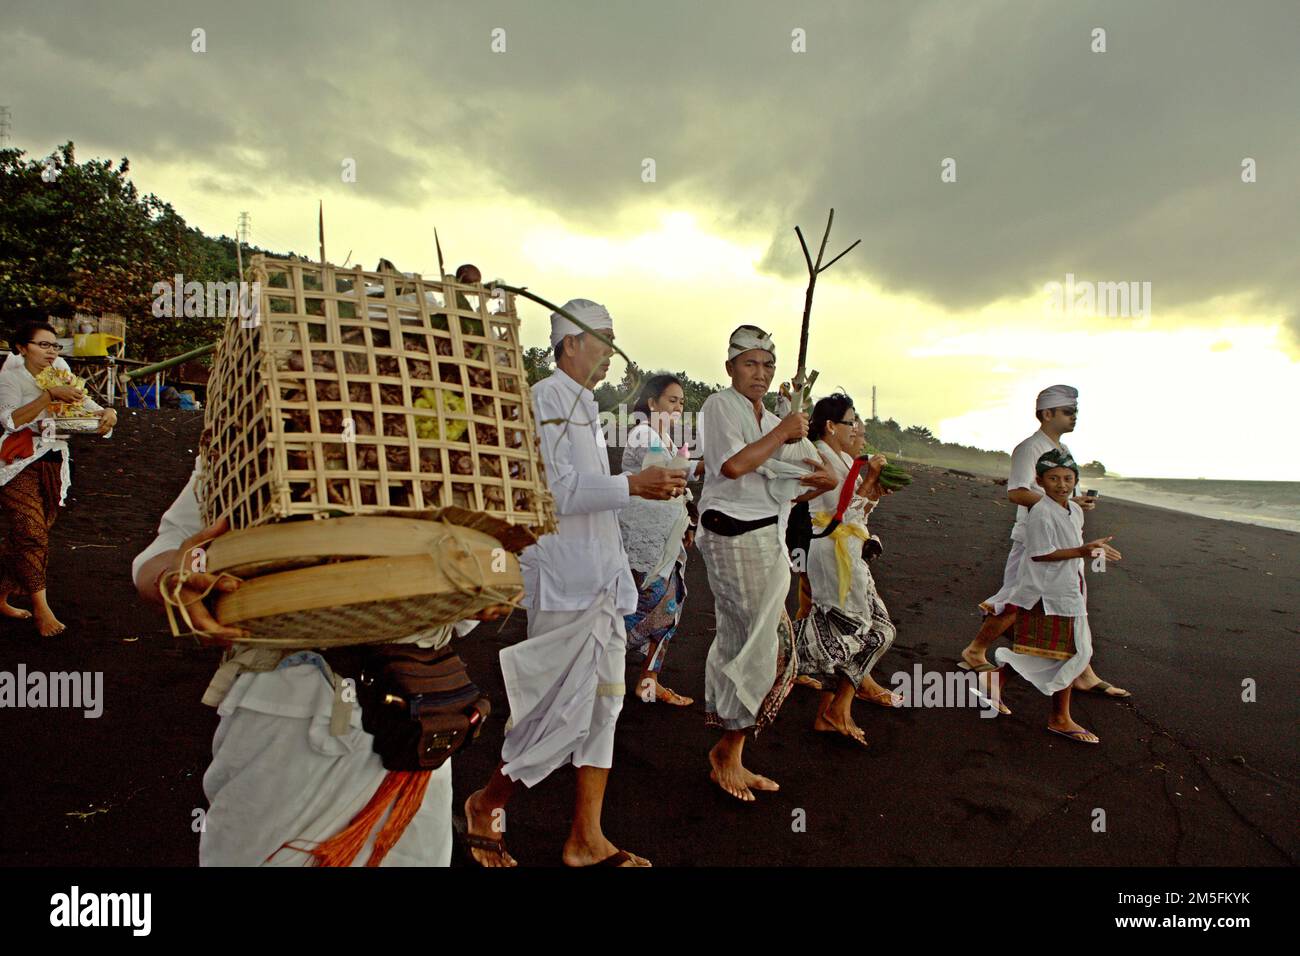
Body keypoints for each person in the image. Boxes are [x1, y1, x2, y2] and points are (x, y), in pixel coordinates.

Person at [133, 466, 506, 866]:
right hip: (287, 713)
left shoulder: (458, 452)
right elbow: (163, 554)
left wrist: (490, 579)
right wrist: (175, 577)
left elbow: (492, 567)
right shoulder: (255, 436)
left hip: (416, 721)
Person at [463, 299, 686, 866]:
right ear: (568, 343)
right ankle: (486, 802)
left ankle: (587, 837)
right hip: (565, 583)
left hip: (601, 582)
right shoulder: (546, 401)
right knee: (550, 708)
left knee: (604, 708)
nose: (612, 350)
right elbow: (553, 494)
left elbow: (587, 486)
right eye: (602, 339)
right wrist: (632, 486)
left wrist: (634, 488)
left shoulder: (582, 405)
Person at [696, 326, 836, 801]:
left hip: (766, 534)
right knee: (762, 643)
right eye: (751, 364)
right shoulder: (721, 406)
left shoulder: (771, 416)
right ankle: (726, 752)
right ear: (731, 366)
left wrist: (801, 477)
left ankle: (729, 750)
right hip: (732, 535)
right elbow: (733, 467)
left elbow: (821, 476)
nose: (760, 373)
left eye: (768, 365)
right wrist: (781, 433)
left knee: (757, 643)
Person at [959, 385, 1129, 698]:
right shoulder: (1029, 448)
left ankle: (1082, 671)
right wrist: (1059, 502)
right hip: (1033, 538)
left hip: (1062, 534)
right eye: (1068, 411)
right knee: (1022, 600)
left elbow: (1056, 491)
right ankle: (976, 651)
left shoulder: (1063, 451)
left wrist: (1074, 500)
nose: (1074, 417)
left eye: (1075, 412)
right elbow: (1017, 491)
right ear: (1047, 413)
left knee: (1067, 600)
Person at [989, 449, 1122, 744]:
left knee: (1043, 649)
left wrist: (1091, 549)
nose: (1061, 484)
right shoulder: (1041, 512)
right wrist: (1083, 551)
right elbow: (1039, 554)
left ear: (1076, 481)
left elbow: (1072, 547)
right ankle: (1059, 718)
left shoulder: (1074, 510)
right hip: (1046, 591)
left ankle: (995, 680)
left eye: (1067, 478)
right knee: (1071, 652)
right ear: (1039, 480)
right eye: (1053, 479)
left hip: (1069, 587)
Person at [794, 394, 901, 748]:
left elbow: (859, 512)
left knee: (880, 630)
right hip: (830, 551)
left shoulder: (842, 457)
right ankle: (787, 655)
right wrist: (868, 481)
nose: (855, 428)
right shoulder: (816, 455)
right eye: (850, 422)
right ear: (830, 426)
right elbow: (840, 512)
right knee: (851, 629)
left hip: (850, 549)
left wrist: (876, 489)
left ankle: (836, 708)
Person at [0, 322, 116, 635]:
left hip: (53, 459)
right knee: (32, 531)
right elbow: (10, 421)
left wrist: (107, 412)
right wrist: (47, 395)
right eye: (43, 345)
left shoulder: (60, 368)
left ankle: (1, 593)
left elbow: (83, 403)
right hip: (17, 461)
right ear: (22, 348)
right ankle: (41, 608)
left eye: (54, 345)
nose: (51, 351)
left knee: (31, 532)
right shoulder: (11, 377)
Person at [619, 373, 697, 707]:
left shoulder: (664, 439)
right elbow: (666, 473)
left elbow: (679, 482)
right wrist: (706, 467)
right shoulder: (643, 433)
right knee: (633, 607)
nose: (678, 407)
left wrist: (688, 520)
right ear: (652, 403)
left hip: (665, 542)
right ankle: (588, 671)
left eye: (681, 402)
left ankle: (647, 683)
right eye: (671, 400)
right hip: (641, 544)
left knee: (671, 604)